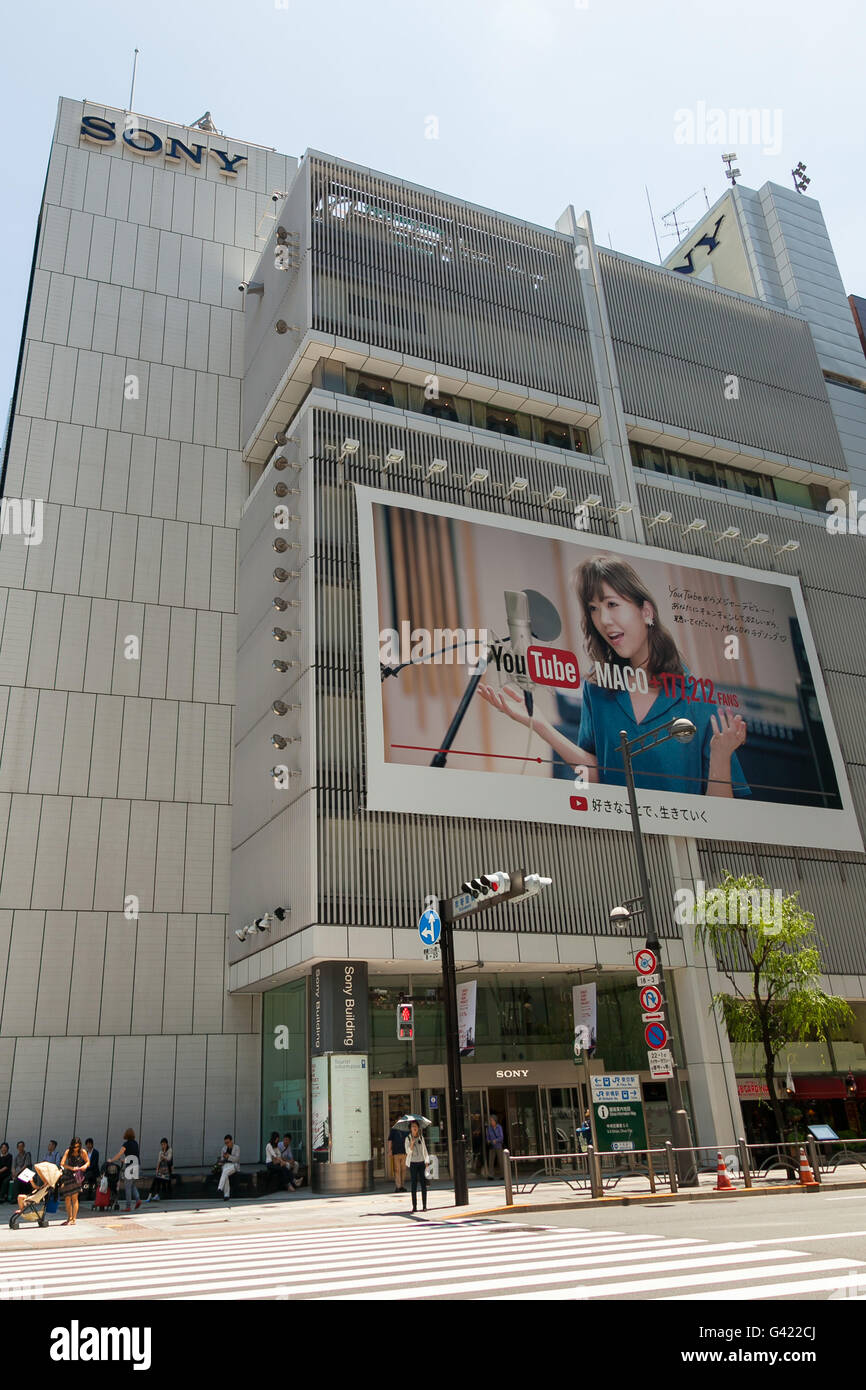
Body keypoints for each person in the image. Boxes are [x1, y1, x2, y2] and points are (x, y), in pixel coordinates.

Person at [478, 555, 749, 799]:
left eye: (611, 604)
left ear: (646, 611)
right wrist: (538, 722)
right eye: (594, 608)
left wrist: (721, 756)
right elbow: (598, 774)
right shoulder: (597, 691)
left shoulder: (696, 696)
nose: (604, 619)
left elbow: (720, 811)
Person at [58, 1137, 89, 1225]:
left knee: (74, 1197)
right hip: (68, 1176)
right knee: (67, 1198)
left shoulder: (83, 1152)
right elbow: (62, 1163)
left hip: (77, 1176)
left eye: (78, 1146)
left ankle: (74, 1219)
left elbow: (88, 1162)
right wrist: (72, 1168)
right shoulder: (68, 1151)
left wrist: (85, 1166)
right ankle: (69, 1218)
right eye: (74, 1147)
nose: (76, 1148)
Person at [109, 1129, 142, 1211]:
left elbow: (119, 1154)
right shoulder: (135, 1143)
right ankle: (138, 1200)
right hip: (137, 1165)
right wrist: (124, 1160)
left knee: (127, 1187)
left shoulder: (126, 1144)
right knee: (132, 1184)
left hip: (130, 1167)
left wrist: (112, 1160)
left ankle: (128, 1206)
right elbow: (134, 1156)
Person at [404, 1120, 429, 1213]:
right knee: (413, 1185)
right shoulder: (407, 1138)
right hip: (413, 1163)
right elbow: (407, 1152)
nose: (414, 1128)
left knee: (423, 1185)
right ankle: (414, 1206)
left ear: (418, 1128)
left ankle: (424, 1206)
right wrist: (411, 1143)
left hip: (421, 1163)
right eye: (412, 1126)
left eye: (415, 1126)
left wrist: (426, 1161)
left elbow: (425, 1150)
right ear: (410, 1128)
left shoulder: (421, 1138)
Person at [217, 1135, 239, 1200]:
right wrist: (221, 1161)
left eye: (228, 1142)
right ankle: (226, 1196)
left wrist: (228, 1156)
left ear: (231, 1141)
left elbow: (237, 1159)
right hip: (225, 1165)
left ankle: (220, 1187)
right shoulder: (223, 1148)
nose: (227, 1144)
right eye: (225, 1143)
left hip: (233, 1165)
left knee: (225, 1172)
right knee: (225, 1173)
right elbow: (221, 1158)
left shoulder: (237, 1147)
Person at [388, 1119, 407, 1193]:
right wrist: (389, 1150)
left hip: (404, 1152)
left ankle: (402, 1186)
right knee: (397, 1170)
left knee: (403, 1170)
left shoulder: (406, 1129)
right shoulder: (393, 1129)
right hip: (396, 1152)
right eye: (398, 1120)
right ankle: (398, 1186)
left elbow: (409, 1139)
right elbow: (390, 1140)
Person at [486, 1113, 504, 1179]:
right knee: (491, 1161)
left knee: (500, 1160)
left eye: (492, 1120)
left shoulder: (499, 1127)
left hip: (498, 1146)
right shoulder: (489, 1128)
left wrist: (496, 1140)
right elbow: (487, 1137)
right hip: (492, 1146)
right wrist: (488, 1140)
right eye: (490, 1120)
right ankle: (491, 1175)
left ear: (495, 1121)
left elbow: (501, 1137)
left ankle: (503, 1175)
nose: (491, 1122)